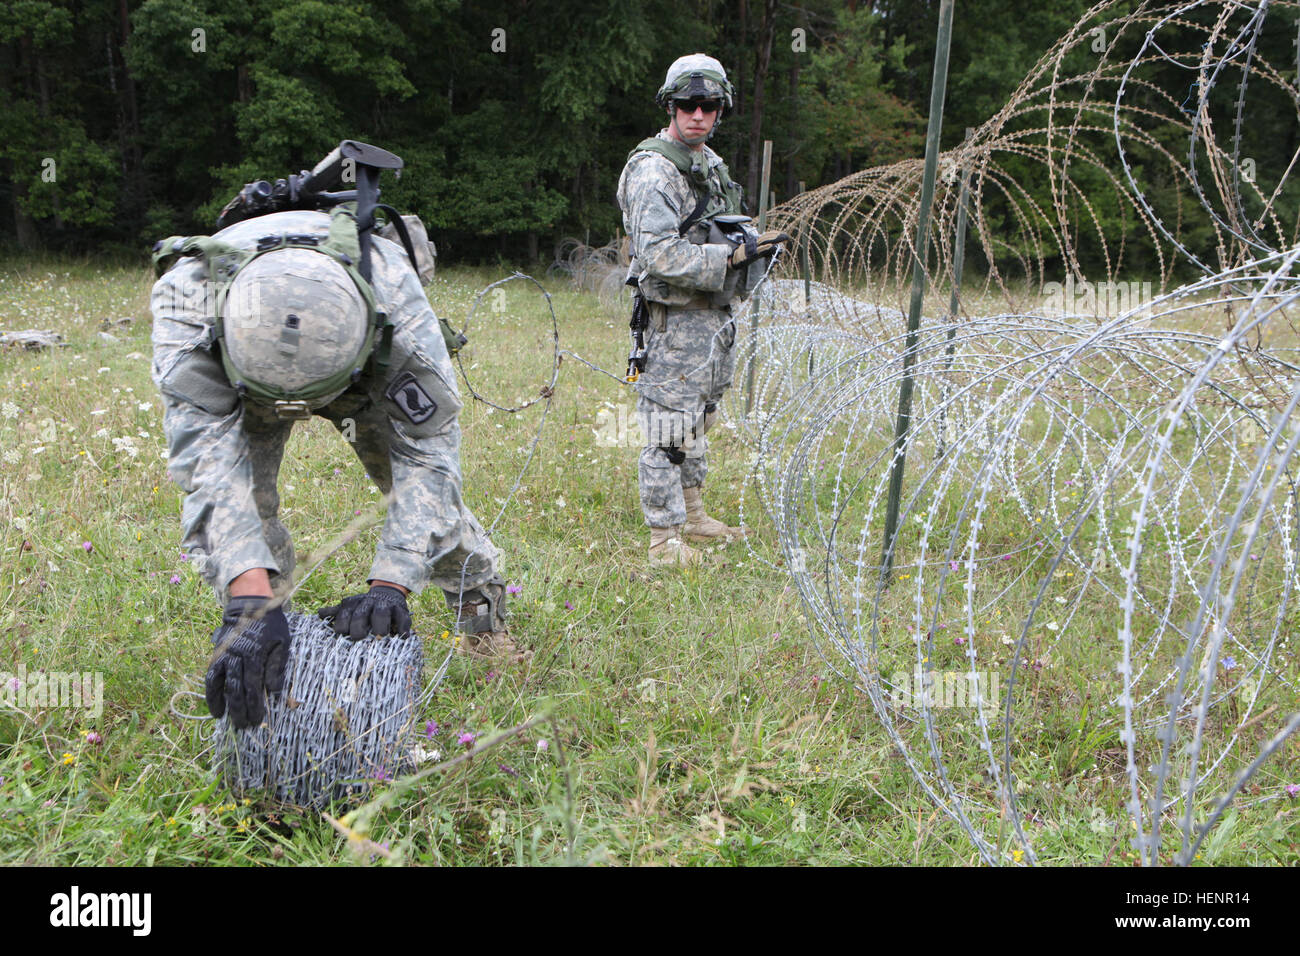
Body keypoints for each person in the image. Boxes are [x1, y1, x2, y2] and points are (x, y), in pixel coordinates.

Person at [150, 203, 511, 730]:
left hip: (360, 374)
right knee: (246, 506)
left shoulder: (399, 308)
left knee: (435, 511)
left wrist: (394, 582)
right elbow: (211, 471)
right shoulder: (189, 305)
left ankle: (485, 621)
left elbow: (427, 464)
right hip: (246, 370)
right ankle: (279, 652)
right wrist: (249, 599)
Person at [617, 53, 788, 566]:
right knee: (669, 429)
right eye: (687, 105)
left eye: (708, 105)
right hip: (675, 322)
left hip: (713, 316)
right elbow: (657, 255)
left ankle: (693, 514)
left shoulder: (708, 165)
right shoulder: (654, 170)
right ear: (671, 107)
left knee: (699, 421)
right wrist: (730, 257)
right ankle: (663, 539)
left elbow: (714, 225)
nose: (697, 115)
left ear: (720, 110)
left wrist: (751, 245)